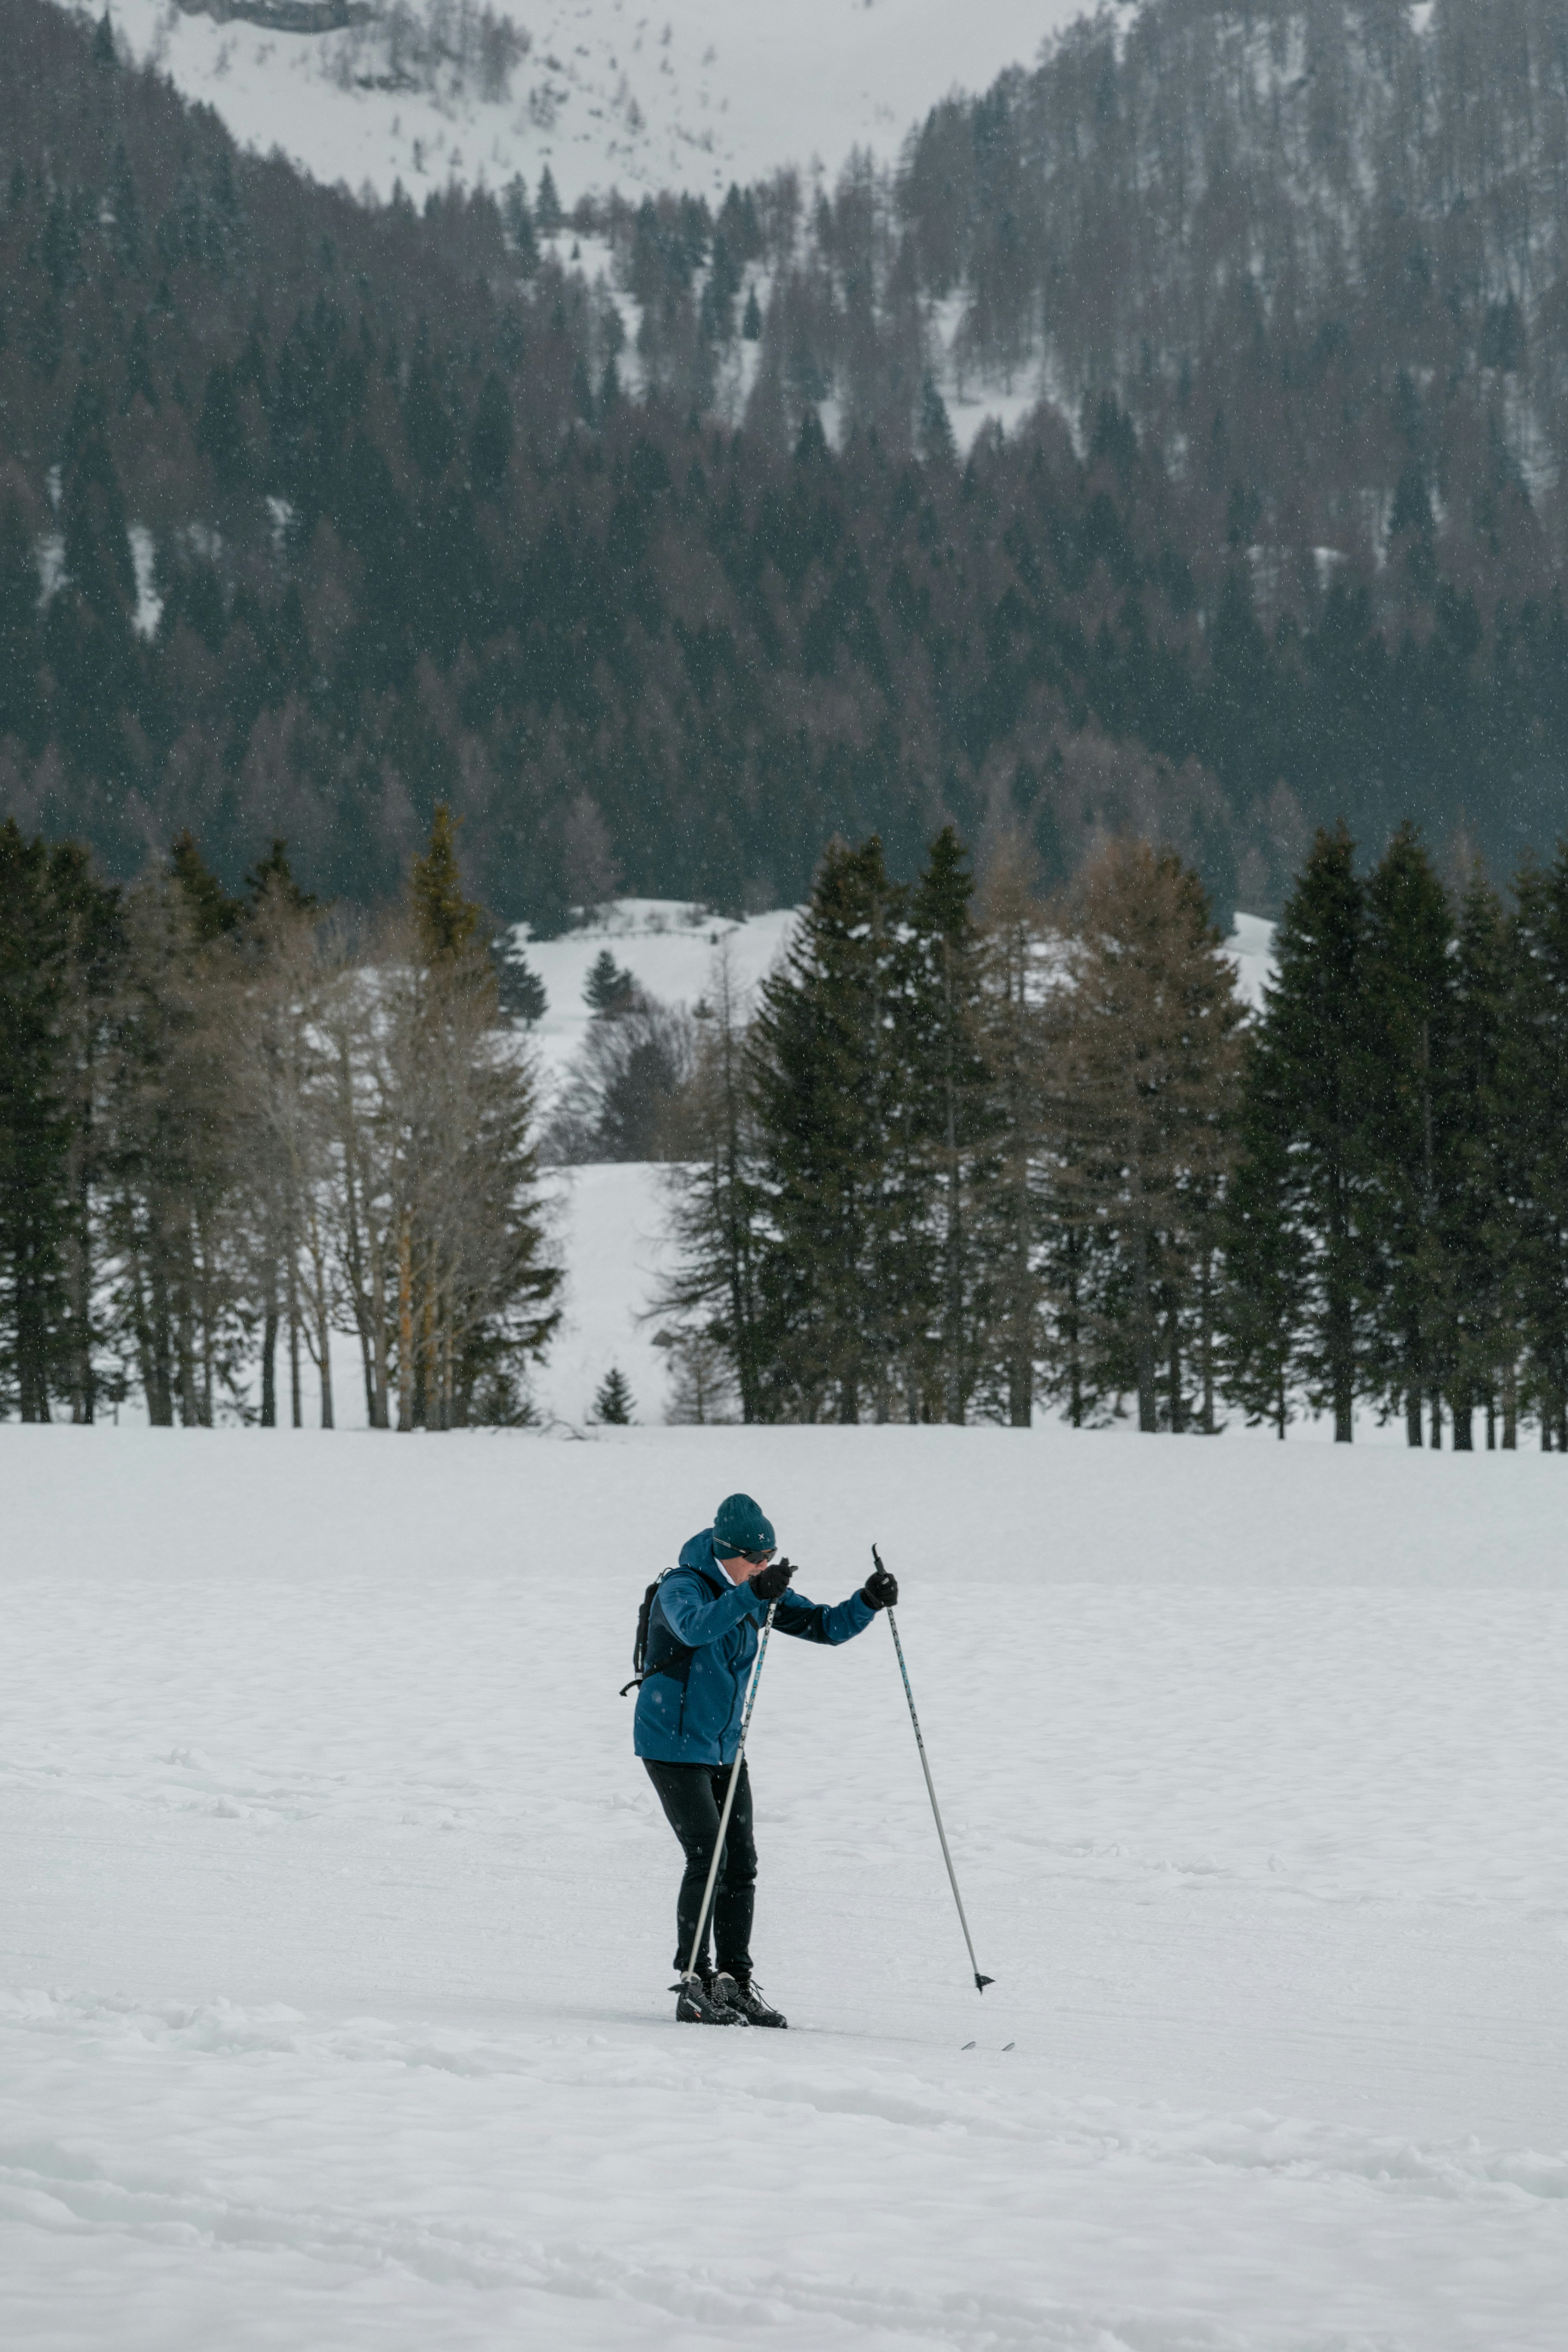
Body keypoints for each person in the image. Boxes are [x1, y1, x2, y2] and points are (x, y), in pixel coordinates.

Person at [634, 1490, 898, 2026]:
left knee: (742, 1865)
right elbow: (697, 1627)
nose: (763, 1567)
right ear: (723, 1551)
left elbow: (825, 1627)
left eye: (769, 1558)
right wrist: (753, 1592)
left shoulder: (754, 1586)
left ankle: (734, 1981)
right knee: (708, 1859)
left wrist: (868, 1600)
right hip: (671, 1743)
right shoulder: (681, 1586)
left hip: (726, 1747)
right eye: (755, 1559)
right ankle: (693, 1980)